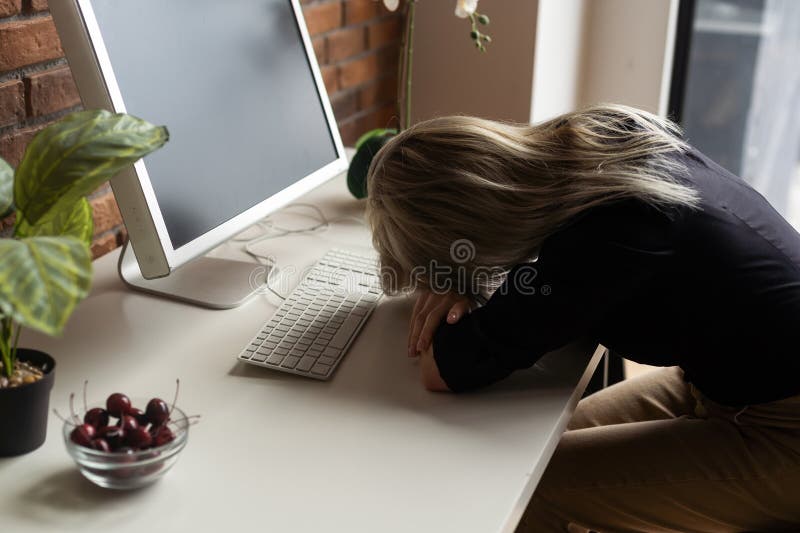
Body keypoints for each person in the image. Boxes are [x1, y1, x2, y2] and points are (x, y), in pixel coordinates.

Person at [364, 105, 800, 532]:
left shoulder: (604, 237)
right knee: (521, 454)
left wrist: (455, 281)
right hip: (722, 385)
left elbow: (446, 367)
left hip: (781, 434)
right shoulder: (606, 137)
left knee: (528, 492)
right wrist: (459, 276)